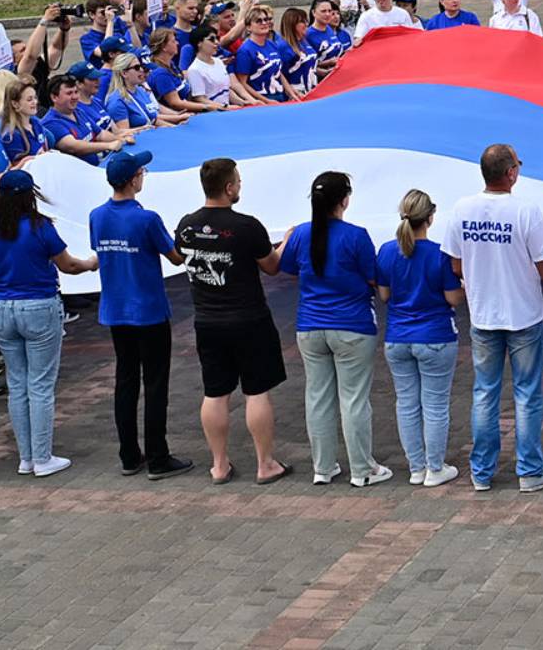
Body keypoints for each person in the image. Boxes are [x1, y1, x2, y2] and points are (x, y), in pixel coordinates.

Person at [446, 143, 543, 493]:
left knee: (485, 392)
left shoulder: (462, 209)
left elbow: (453, 264)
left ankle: (481, 472)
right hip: (523, 314)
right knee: (527, 393)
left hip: (483, 314)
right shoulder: (526, 211)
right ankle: (529, 470)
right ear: (511, 172)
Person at [174, 158, 291, 485]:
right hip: (249, 319)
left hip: (207, 321)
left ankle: (219, 464)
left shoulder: (186, 225)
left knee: (215, 393)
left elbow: (181, 254)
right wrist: (288, 242)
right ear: (228, 187)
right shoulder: (246, 226)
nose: (240, 186)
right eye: (238, 182)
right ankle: (265, 464)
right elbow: (271, 266)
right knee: (256, 391)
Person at [0, 169, 98, 476]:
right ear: (31, 195)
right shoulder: (40, 226)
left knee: (17, 384)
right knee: (41, 385)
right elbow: (68, 265)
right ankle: (43, 457)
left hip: (2, 306)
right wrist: (91, 264)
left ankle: (26, 456)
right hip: (40, 304)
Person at [278, 171, 389, 486]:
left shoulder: (301, 234)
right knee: (354, 399)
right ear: (345, 199)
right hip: (352, 326)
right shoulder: (356, 236)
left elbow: (285, 267)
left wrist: (287, 238)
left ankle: (323, 468)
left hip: (310, 326)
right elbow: (373, 278)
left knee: (318, 397)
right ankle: (362, 469)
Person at [90, 149, 193, 480]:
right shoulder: (146, 219)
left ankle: (129, 455)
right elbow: (176, 258)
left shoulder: (97, 216)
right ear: (134, 180)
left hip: (116, 310)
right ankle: (158, 455)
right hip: (148, 310)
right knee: (156, 382)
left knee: (125, 381)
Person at [379, 190, 465, 488]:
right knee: (435, 405)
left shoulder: (387, 251)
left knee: (406, 403)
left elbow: (385, 295)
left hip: (398, 337)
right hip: (435, 336)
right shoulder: (440, 255)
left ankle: (416, 467)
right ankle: (435, 467)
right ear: (430, 217)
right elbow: (453, 298)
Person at [148, 29, 223, 116]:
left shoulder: (171, 65)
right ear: (163, 47)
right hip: (178, 118)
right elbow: (175, 103)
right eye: (173, 41)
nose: (177, 43)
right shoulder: (160, 74)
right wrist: (206, 107)